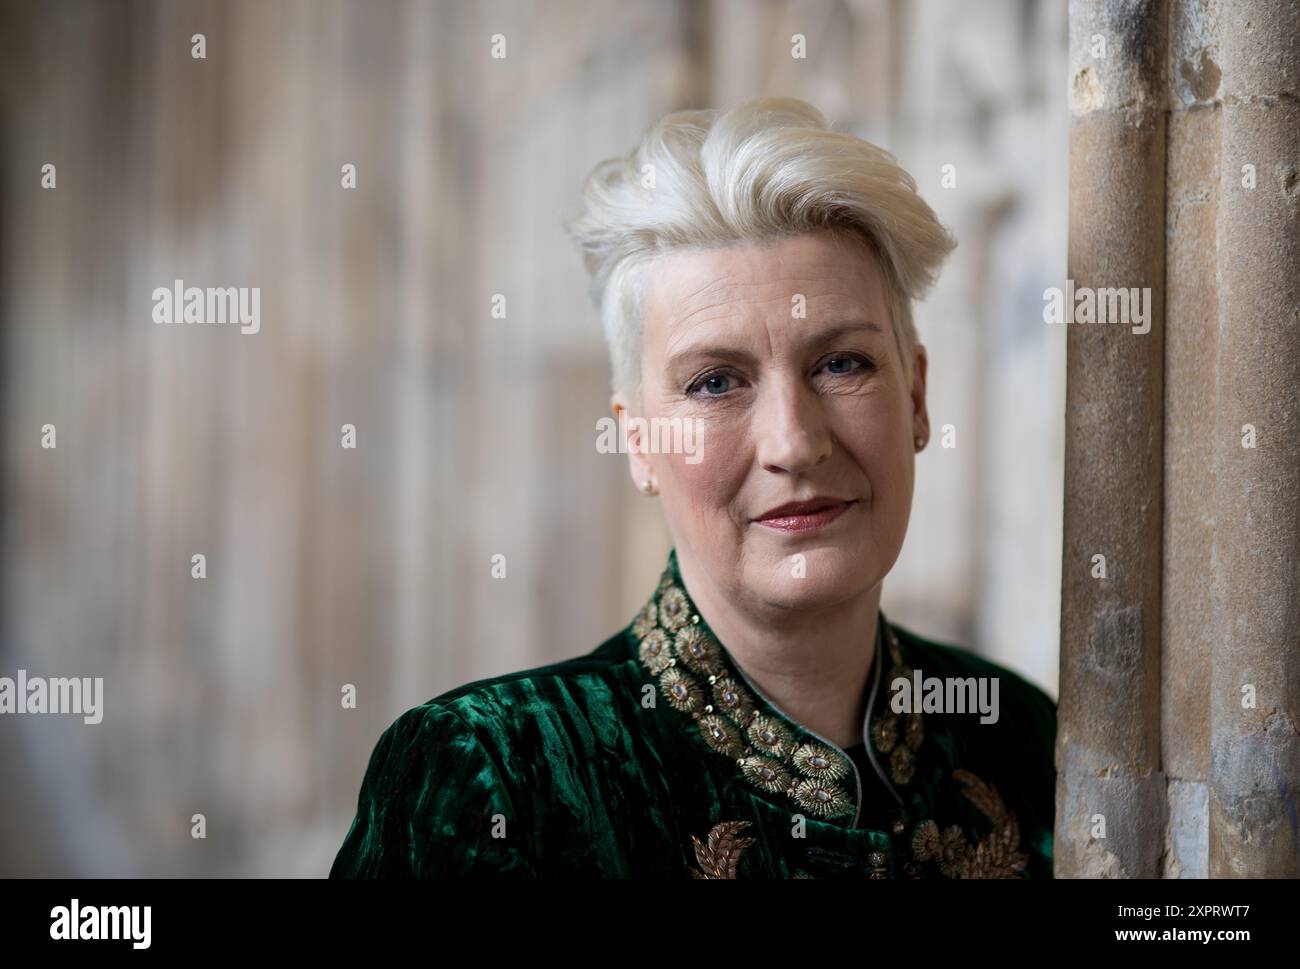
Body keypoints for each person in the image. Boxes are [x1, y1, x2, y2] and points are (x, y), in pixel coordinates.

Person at [330, 96, 1056, 879]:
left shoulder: (1018, 735)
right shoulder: (498, 772)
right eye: (715, 382)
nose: (795, 442)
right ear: (639, 441)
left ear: (915, 396)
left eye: (842, 363)